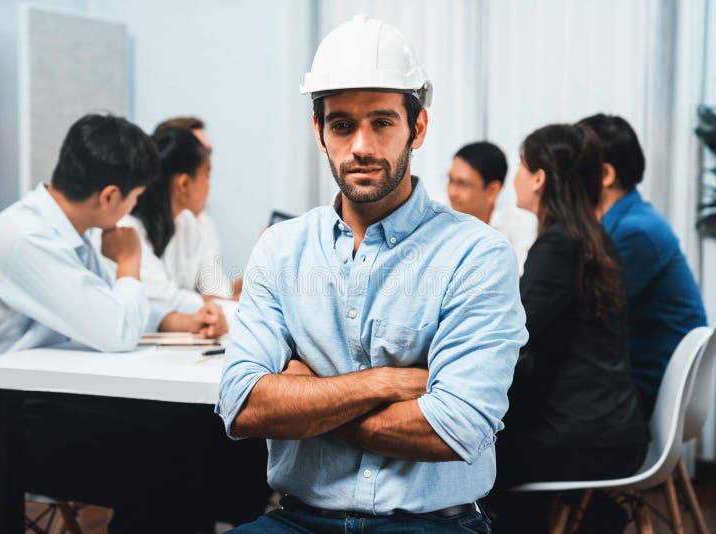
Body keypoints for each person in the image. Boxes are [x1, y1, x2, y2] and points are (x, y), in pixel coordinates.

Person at [216, 15, 527, 533]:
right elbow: (243, 406)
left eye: (382, 122)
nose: (361, 145)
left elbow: (453, 430)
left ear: (417, 128)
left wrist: (309, 397)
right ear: (319, 132)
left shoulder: (478, 254)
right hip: (298, 521)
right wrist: (386, 383)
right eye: (341, 125)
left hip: (433, 524)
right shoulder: (280, 249)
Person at [0, 114, 269, 533]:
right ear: (110, 196)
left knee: (208, 431)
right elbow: (115, 330)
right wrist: (130, 261)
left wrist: (183, 319)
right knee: (169, 468)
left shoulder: (69, 230)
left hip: (45, 405)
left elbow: (121, 307)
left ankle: (240, 508)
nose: (135, 207)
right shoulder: (26, 238)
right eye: (135, 197)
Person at [489, 124, 649, 533]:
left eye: (522, 166)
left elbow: (512, 333)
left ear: (540, 178)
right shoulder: (592, 237)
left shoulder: (560, 245)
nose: (517, 179)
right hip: (610, 429)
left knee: (468, 452)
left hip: (583, 438)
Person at [579, 114, 707, 418]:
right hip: (640, 375)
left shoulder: (634, 232)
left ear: (605, 175)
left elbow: (584, 312)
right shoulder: (630, 220)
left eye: (575, 164)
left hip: (645, 388)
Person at [120, 127, 233, 327]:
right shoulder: (128, 229)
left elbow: (214, 285)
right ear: (184, 184)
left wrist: (222, 302)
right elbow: (164, 298)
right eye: (206, 176)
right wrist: (223, 306)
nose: (209, 186)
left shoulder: (189, 224)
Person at [448, 141, 536, 273]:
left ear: (492, 190)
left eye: (462, 184)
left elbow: (520, 277)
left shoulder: (521, 222)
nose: (451, 192)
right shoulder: (435, 213)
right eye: (450, 180)